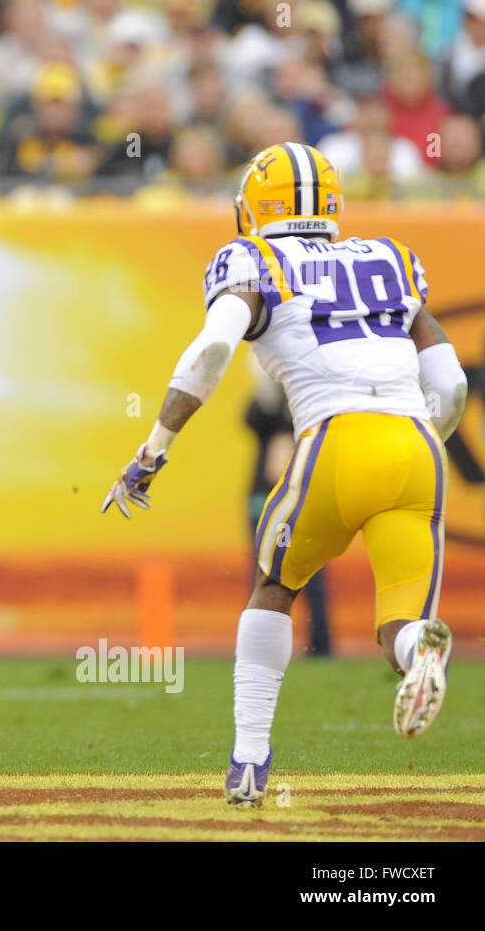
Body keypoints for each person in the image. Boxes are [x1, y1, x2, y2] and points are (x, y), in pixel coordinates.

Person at [102, 142, 467, 807]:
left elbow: (212, 348)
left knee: (274, 586)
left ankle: (248, 760)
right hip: (417, 444)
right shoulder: (388, 258)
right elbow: (451, 380)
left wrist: (154, 449)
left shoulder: (252, 259)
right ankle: (422, 654)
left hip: (333, 437)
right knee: (398, 624)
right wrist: (417, 445)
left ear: (254, 206)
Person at [244, 370, 331, 656]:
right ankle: (260, 646)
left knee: (312, 575)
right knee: (262, 573)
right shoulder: (266, 412)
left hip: (303, 498)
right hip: (264, 498)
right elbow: (250, 418)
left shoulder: (312, 407)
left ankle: (320, 645)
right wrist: (272, 394)